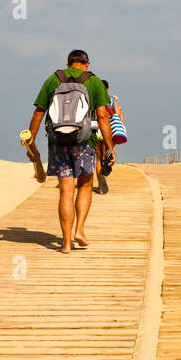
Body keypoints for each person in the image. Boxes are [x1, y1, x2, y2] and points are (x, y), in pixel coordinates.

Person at [26, 50, 114, 254]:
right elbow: (102, 117)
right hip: (85, 142)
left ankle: (65, 244)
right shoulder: (94, 82)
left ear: (67, 64)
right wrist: (109, 147)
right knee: (84, 185)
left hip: (58, 143)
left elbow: (39, 112)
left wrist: (31, 141)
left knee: (66, 190)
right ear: (87, 64)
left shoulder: (53, 79)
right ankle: (80, 231)